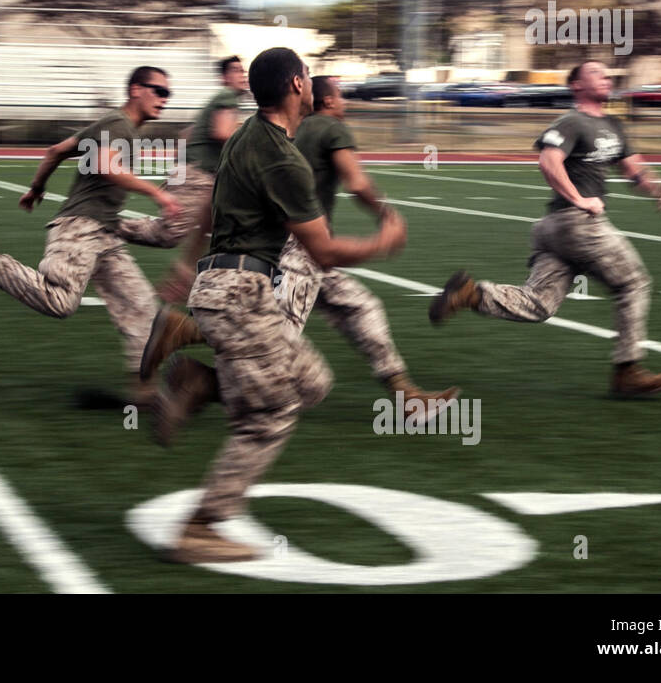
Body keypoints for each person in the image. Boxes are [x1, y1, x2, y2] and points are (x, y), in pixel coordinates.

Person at [165, 47, 407, 564]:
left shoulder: (242, 139)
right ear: (299, 85)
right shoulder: (281, 156)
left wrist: (187, 264)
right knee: (272, 414)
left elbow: (207, 210)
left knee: (313, 382)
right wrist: (380, 243)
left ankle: (201, 382)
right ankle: (200, 525)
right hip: (241, 296)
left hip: (219, 286)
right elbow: (322, 252)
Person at [144, 75, 459, 444]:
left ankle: (405, 396)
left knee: (361, 308)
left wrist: (189, 258)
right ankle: (189, 349)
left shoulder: (265, 133)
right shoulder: (329, 127)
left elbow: (217, 199)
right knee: (279, 348)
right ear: (325, 101)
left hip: (295, 248)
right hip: (298, 247)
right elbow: (357, 182)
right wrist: (386, 218)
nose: (345, 103)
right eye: (340, 96)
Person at [0, 66, 181, 405]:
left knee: (142, 309)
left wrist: (36, 188)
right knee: (59, 301)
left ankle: (145, 393)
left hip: (104, 235)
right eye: (159, 91)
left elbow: (56, 151)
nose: (165, 100)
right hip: (81, 227)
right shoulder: (117, 126)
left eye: (168, 94)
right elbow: (108, 167)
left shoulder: (111, 125)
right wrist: (158, 194)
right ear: (136, 89)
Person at [428, 59, 661, 397]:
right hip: (577, 223)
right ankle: (627, 371)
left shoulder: (614, 126)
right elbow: (548, 161)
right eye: (595, 72)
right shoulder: (571, 122)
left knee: (539, 304)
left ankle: (472, 293)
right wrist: (580, 200)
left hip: (555, 231)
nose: (606, 77)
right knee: (633, 282)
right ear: (576, 85)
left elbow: (632, 169)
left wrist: (657, 186)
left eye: (607, 73)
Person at [117, 56, 247, 299]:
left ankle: (196, 277)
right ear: (224, 77)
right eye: (237, 71)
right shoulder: (226, 97)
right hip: (197, 174)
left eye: (244, 71)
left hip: (197, 173)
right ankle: (107, 226)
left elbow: (187, 133)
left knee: (224, 226)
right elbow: (222, 133)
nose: (243, 75)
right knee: (168, 235)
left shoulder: (223, 101)